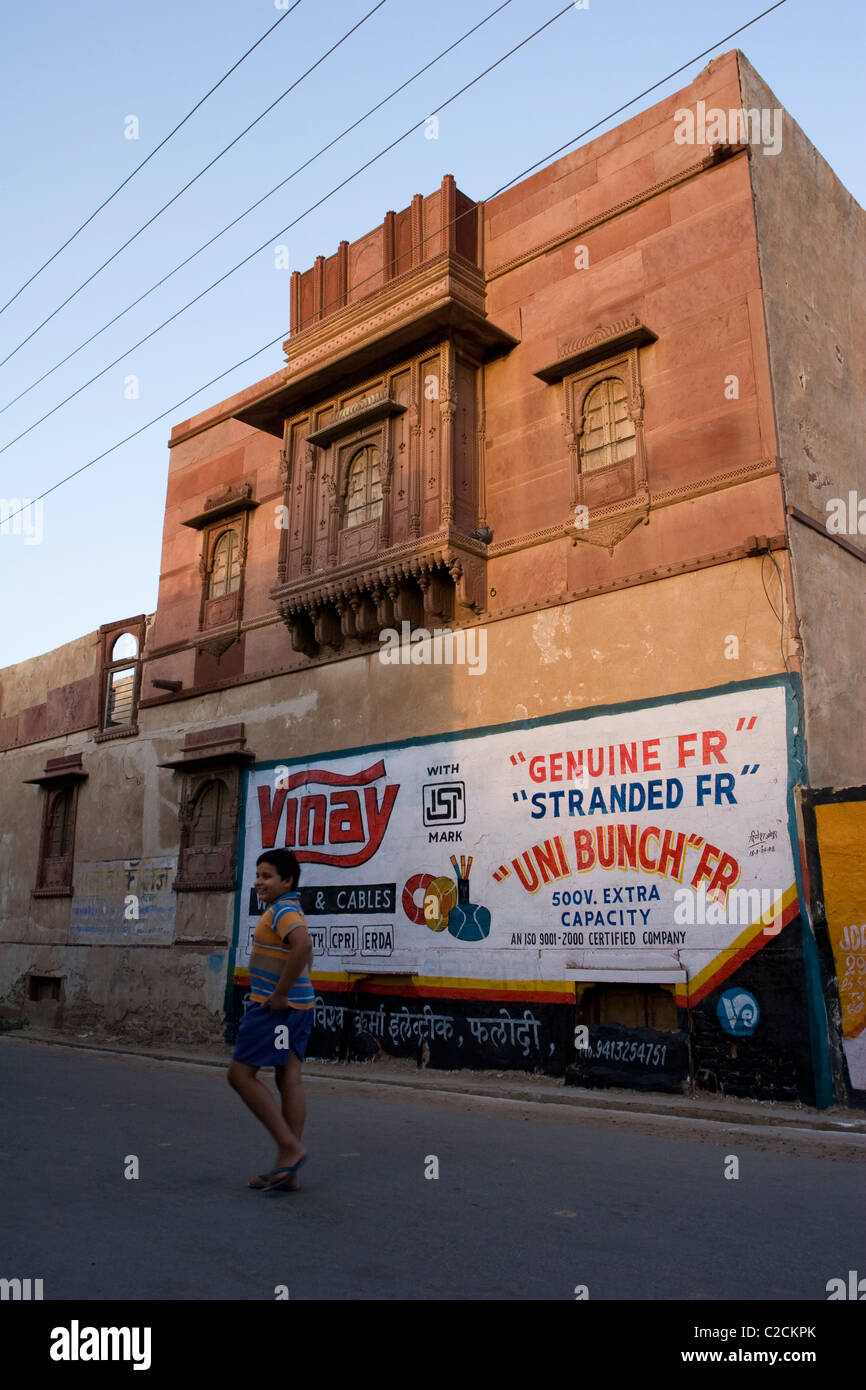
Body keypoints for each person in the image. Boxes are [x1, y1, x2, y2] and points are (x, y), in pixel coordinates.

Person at [227, 849, 315, 1192]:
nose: (259, 883)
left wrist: (280, 994)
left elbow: (302, 945)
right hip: (299, 1006)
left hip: (274, 1008)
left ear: (287, 880)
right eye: (258, 875)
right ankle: (288, 1170)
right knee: (288, 1077)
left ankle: (289, 1148)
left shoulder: (282, 910)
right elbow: (305, 951)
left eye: (267, 876)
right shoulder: (290, 908)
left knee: (239, 1075)